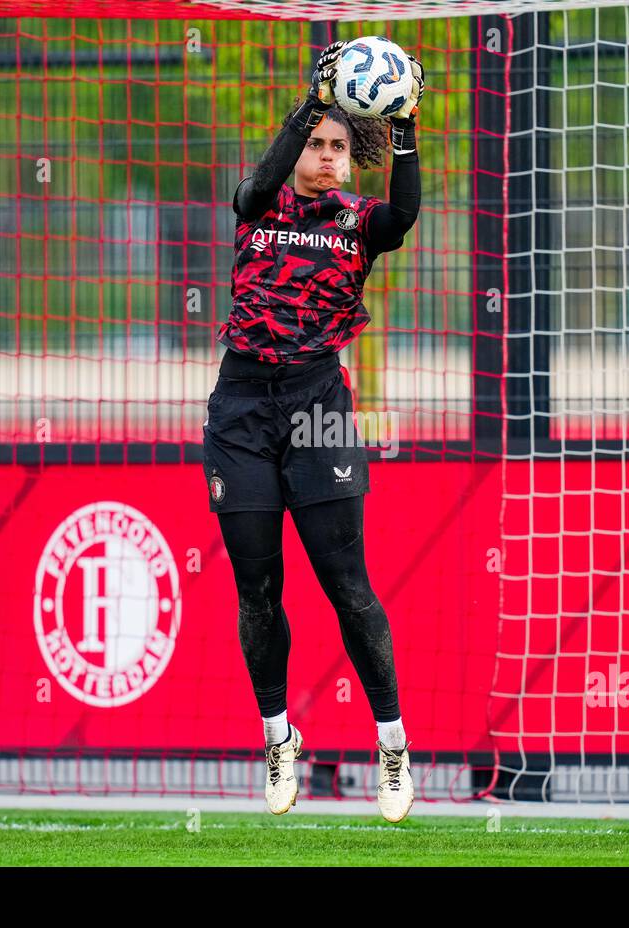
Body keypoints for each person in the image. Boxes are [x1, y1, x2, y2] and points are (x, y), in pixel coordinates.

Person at [202, 39, 424, 822]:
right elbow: (256, 181)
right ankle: (278, 736)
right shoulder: (260, 205)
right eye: (317, 146)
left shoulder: (361, 222)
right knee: (256, 586)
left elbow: (405, 213)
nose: (328, 158)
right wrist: (310, 102)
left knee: (346, 586)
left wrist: (403, 129)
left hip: (318, 404)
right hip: (240, 409)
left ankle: (392, 743)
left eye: (339, 147)